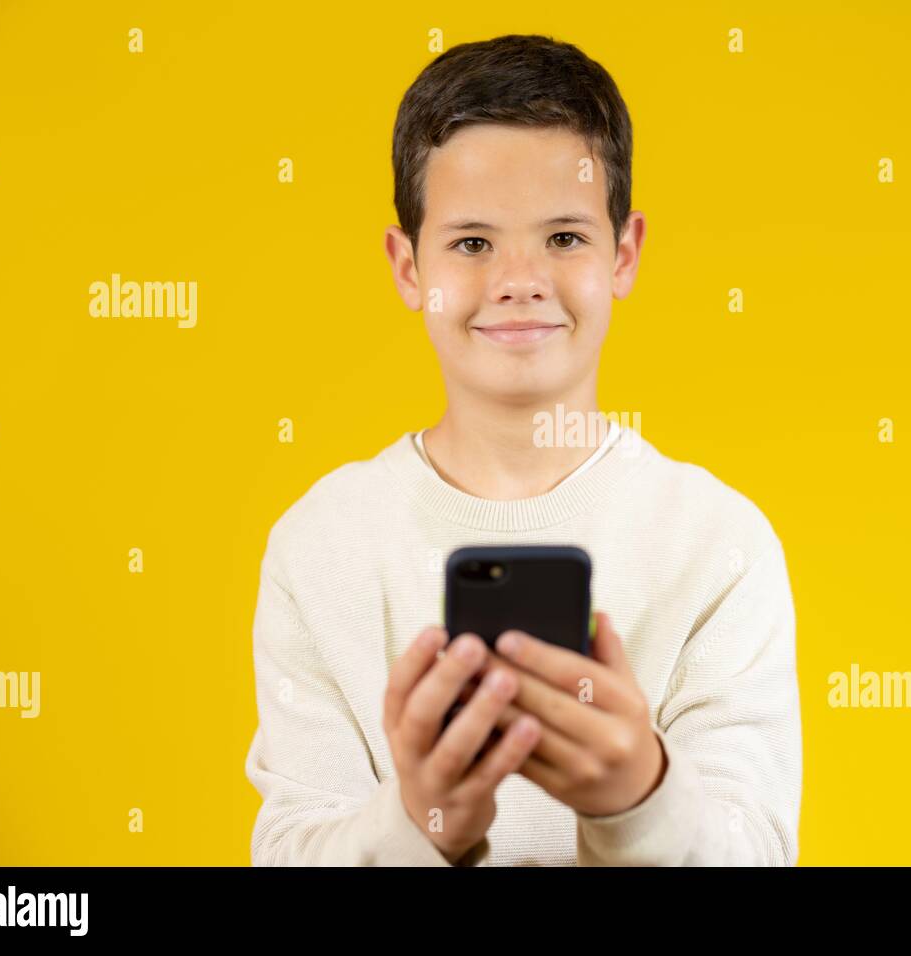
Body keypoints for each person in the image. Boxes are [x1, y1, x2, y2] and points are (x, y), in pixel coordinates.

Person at [244, 33, 801, 866]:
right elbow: (289, 850)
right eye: (472, 243)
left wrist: (639, 799)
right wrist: (424, 823)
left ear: (626, 253)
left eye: (565, 238)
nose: (519, 279)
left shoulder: (721, 544)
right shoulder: (318, 545)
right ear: (407, 267)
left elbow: (755, 850)